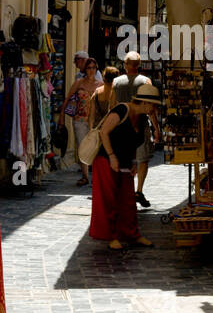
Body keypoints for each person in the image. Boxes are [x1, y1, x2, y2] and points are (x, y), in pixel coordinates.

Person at [90, 85, 163, 250]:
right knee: (109, 199)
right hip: (106, 160)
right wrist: (111, 156)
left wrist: (134, 161)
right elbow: (104, 132)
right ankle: (111, 236)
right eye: (153, 105)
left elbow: (132, 142)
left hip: (124, 161)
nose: (154, 109)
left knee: (128, 200)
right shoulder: (122, 110)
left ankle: (132, 233)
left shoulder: (141, 117)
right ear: (144, 102)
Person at [113, 53, 161, 207]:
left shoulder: (116, 82)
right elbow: (151, 108)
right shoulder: (145, 81)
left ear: (125, 65)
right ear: (139, 65)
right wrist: (156, 128)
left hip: (120, 125)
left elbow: (112, 106)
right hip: (140, 124)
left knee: (123, 160)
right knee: (142, 160)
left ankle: (124, 191)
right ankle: (138, 190)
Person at [59, 56, 99, 187]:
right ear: (85, 69)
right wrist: (61, 118)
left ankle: (96, 176)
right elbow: (67, 99)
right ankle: (85, 176)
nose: (91, 70)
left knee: (94, 148)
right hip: (79, 120)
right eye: (89, 68)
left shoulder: (100, 85)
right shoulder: (79, 83)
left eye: (93, 68)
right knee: (82, 147)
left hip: (95, 121)